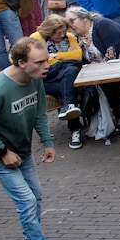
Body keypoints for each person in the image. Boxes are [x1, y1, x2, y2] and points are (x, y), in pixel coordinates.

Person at [0, 37, 66, 240]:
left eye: (47, 61)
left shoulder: (35, 79)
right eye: (39, 62)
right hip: (0, 157)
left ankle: (31, 239)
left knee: (36, 195)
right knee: (26, 201)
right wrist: (3, 152)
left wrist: (48, 141)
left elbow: (39, 113)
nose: (46, 66)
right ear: (22, 63)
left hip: (23, 151)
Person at [29, 15, 85, 148]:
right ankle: (73, 122)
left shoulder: (69, 37)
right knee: (71, 70)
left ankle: (73, 122)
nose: (62, 35)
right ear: (49, 31)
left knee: (69, 75)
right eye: (58, 33)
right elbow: (42, 62)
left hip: (64, 79)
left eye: (63, 31)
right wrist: (65, 59)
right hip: (45, 79)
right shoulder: (36, 38)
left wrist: (58, 56)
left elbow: (78, 56)